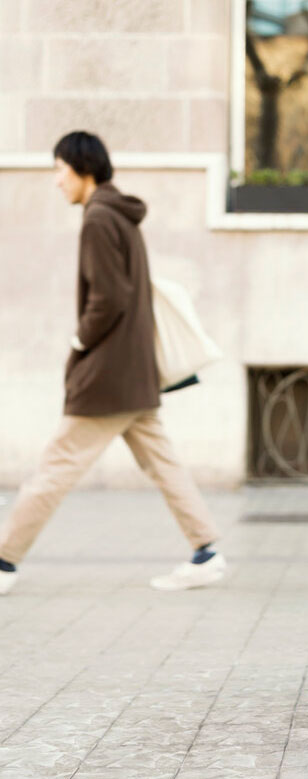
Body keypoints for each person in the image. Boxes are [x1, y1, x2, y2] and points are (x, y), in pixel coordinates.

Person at [0, 131, 224, 595]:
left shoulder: (98, 219)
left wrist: (79, 340)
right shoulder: (121, 215)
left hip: (107, 378)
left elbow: (109, 298)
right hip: (132, 374)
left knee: (53, 469)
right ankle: (207, 552)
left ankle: (3, 561)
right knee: (164, 464)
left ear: (83, 170)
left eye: (60, 171)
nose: (56, 182)